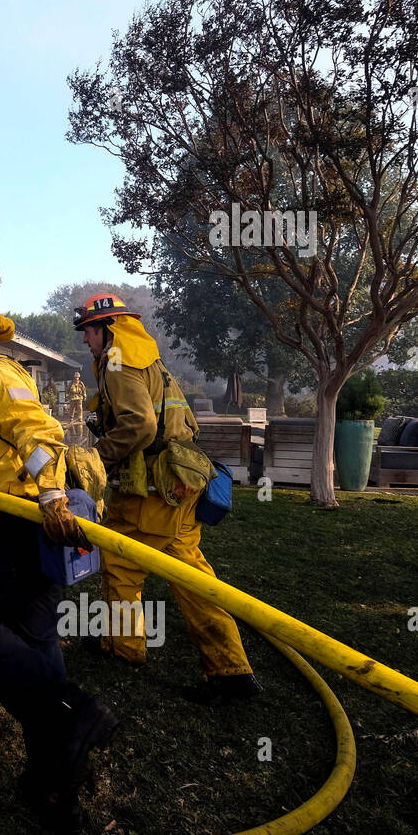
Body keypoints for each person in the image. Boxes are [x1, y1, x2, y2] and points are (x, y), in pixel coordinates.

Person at [0, 292, 118, 835]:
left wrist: (52, 495)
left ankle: (73, 711)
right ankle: (56, 786)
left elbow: (37, 434)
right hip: (24, 518)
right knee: (36, 641)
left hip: (25, 521)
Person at [74, 293, 263, 706]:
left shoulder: (118, 361)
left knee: (131, 565)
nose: (85, 342)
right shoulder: (148, 358)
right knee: (185, 574)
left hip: (153, 495)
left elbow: (140, 424)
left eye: (87, 332)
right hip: (177, 487)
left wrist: (98, 455)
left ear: (105, 329)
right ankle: (226, 669)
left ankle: (133, 651)